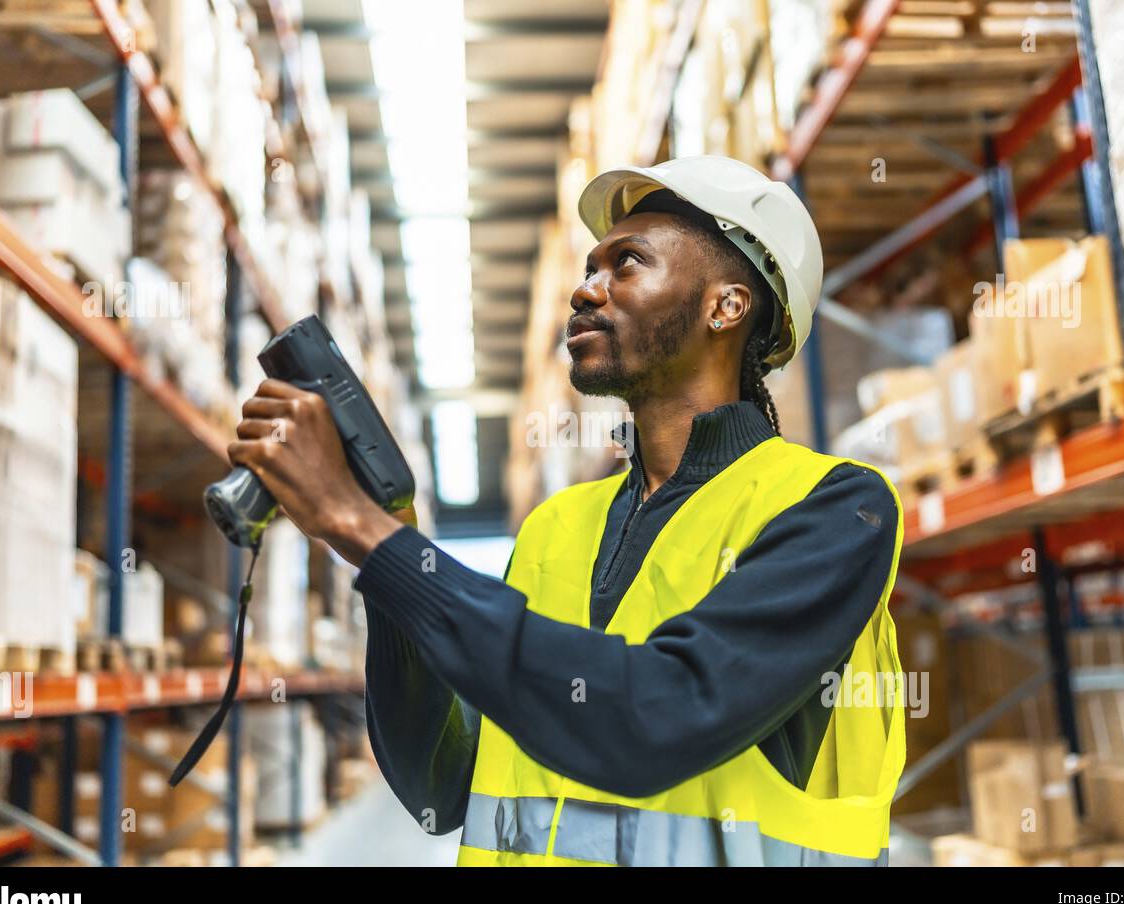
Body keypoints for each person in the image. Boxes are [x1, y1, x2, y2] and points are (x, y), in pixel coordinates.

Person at [228, 155, 906, 867]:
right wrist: (390, 547)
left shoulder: (836, 510)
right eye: (590, 267)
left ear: (726, 306)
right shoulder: (557, 528)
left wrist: (362, 531)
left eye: (628, 264)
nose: (586, 290)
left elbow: (656, 716)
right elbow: (440, 787)